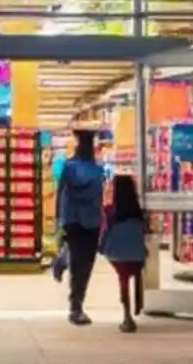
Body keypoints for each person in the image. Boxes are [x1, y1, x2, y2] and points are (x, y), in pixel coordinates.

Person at [56, 129, 105, 325]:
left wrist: (60, 218)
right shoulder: (97, 170)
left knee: (77, 262)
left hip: (72, 220)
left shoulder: (67, 168)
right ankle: (77, 304)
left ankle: (75, 304)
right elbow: (97, 197)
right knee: (85, 265)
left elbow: (61, 195)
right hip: (90, 222)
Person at [100, 174, 147, 333]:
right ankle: (138, 303)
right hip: (138, 256)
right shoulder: (138, 214)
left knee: (123, 278)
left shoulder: (111, 212)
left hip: (117, 255)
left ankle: (127, 315)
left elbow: (105, 230)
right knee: (134, 270)